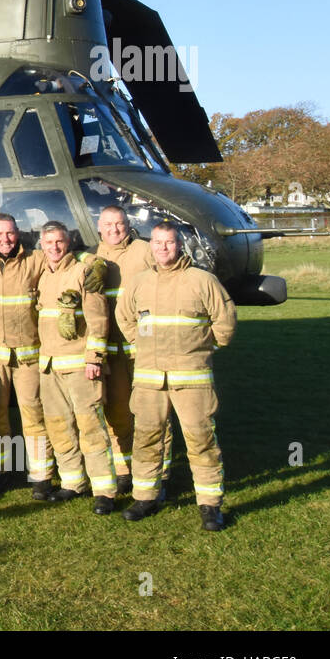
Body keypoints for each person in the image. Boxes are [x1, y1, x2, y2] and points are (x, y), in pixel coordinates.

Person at [117, 222, 237, 531]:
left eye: (168, 243)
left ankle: (210, 505)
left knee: (201, 438)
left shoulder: (202, 280)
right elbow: (124, 317)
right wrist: (138, 343)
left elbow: (224, 321)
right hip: (148, 379)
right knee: (146, 438)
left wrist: (203, 347)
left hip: (191, 378)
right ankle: (145, 497)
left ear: (178, 245)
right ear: (151, 245)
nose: (163, 248)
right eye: (157, 243)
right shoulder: (138, 283)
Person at [0, 213, 56, 500]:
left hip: (28, 356)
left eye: (10, 233)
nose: (5, 239)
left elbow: (65, 258)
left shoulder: (35, 259)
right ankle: (0, 472)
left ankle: (41, 476)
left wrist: (88, 262)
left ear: (17, 233)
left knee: (33, 415)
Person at [36, 221, 116, 514]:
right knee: (59, 428)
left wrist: (95, 358)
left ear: (68, 242)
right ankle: (72, 482)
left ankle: (104, 490)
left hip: (81, 366)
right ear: (42, 245)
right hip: (50, 365)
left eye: (59, 241)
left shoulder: (84, 272)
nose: (54, 247)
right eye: (49, 242)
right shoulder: (43, 274)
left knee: (91, 427)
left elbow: (98, 319)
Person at [90, 205, 156, 494]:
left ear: (128, 225)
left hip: (141, 346)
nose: (114, 230)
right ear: (99, 227)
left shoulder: (145, 250)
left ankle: (157, 473)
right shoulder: (92, 258)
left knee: (150, 412)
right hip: (112, 349)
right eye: (108, 224)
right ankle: (124, 470)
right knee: (117, 413)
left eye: (119, 224)